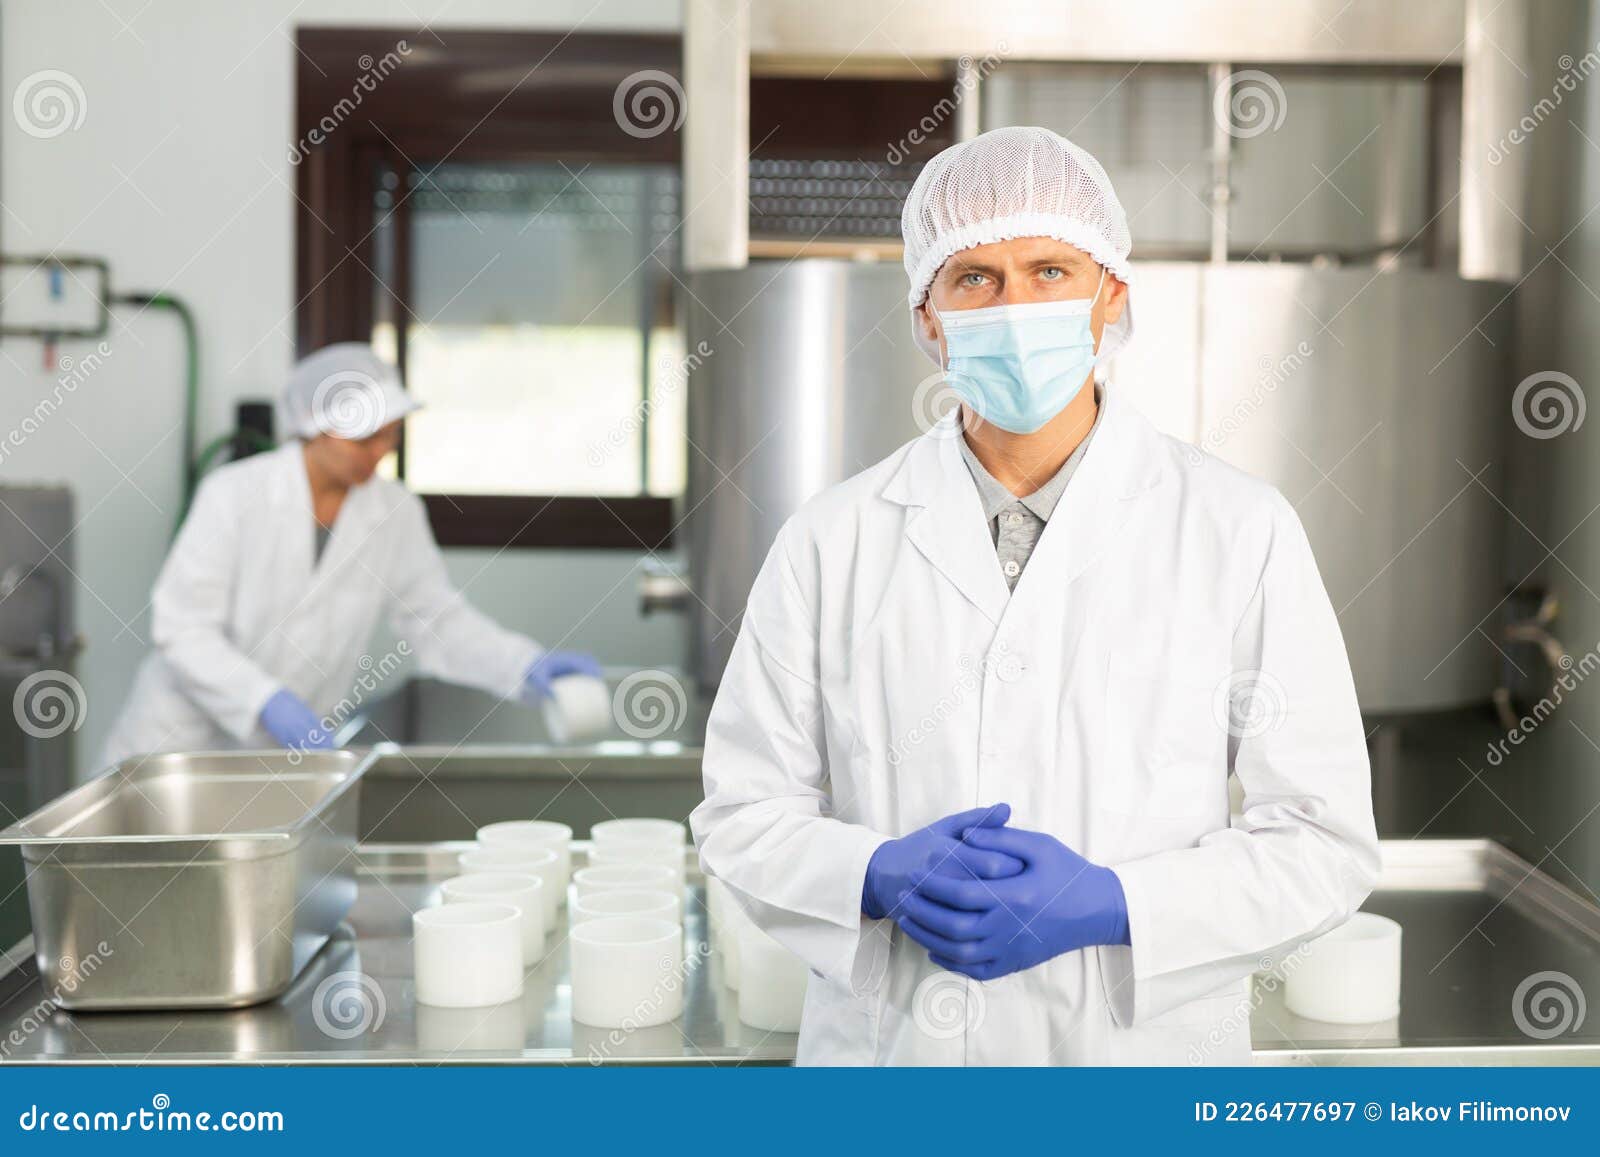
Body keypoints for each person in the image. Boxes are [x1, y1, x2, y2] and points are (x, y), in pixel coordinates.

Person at [691, 127, 1379, 1065]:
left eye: (1050, 270)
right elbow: (741, 812)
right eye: (974, 279)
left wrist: (1115, 901)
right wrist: (871, 874)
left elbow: (1322, 840)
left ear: (1111, 300)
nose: (1014, 306)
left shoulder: (1238, 530)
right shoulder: (831, 540)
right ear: (928, 319)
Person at [101, 343, 599, 762]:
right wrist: (265, 700)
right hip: (179, 748)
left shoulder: (393, 511)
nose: (382, 451)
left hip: (285, 761)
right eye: (366, 439)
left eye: (391, 435)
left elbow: (436, 621)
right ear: (316, 428)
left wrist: (523, 664)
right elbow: (181, 627)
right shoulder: (233, 494)